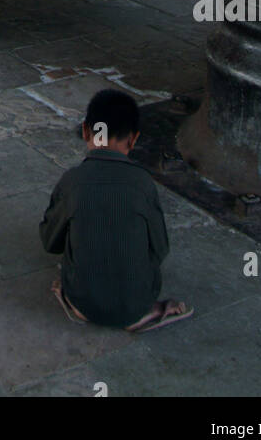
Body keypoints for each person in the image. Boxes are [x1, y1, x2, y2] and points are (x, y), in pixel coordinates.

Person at [39, 87, 193, 331]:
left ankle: (75, 301)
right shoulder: (143, 183)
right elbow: (161, 248)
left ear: (86, 132)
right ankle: (144, 313)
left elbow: (50, 243)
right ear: (133, 139)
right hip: (137, 305)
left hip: (84, 304)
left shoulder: (72, 181)